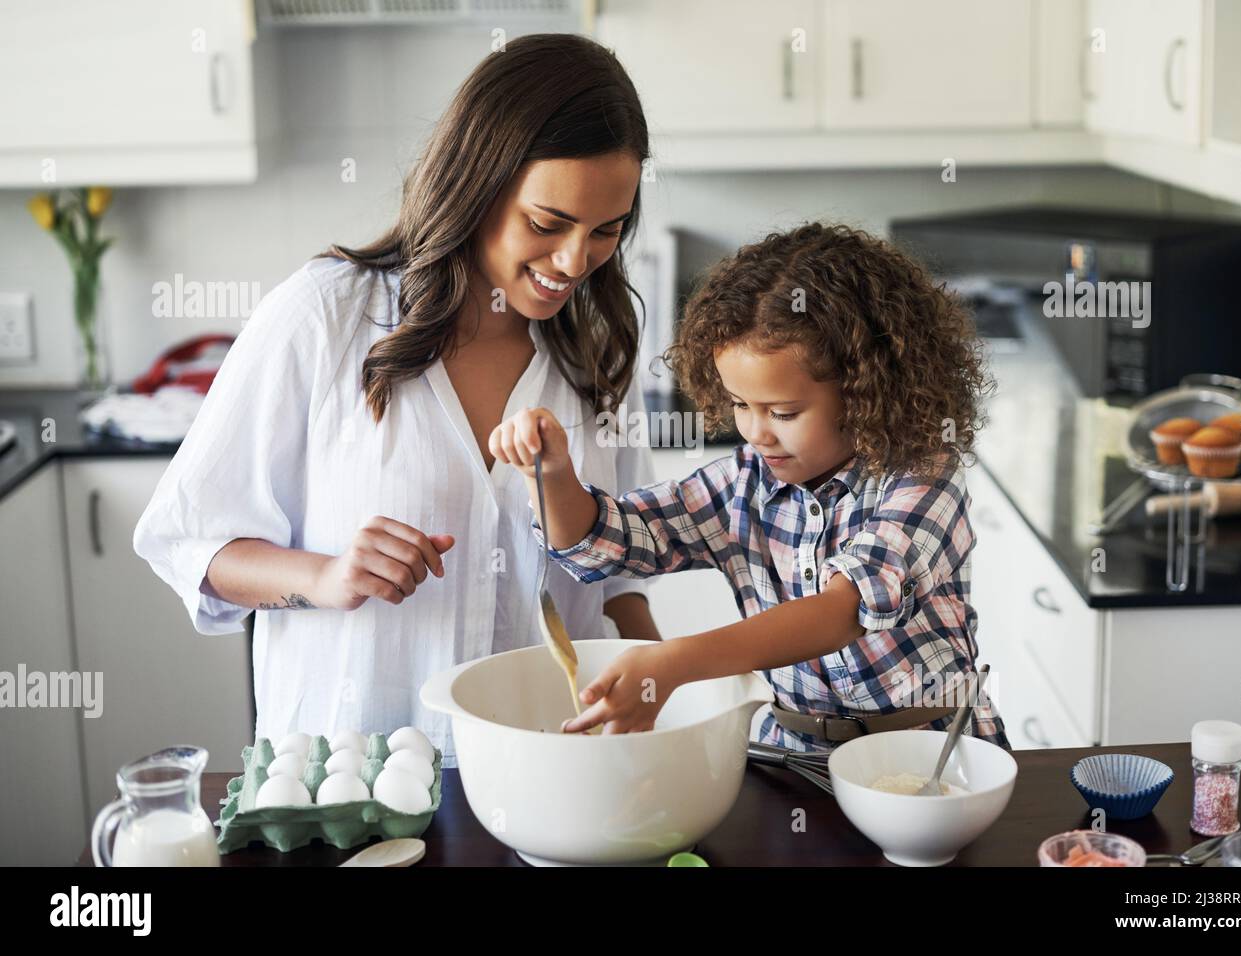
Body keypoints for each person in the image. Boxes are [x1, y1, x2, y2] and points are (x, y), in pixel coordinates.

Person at [134, 34, 662, 767]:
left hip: (547, 776)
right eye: (547, 224)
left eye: (606, 231)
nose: (575, 261)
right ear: (479, 185)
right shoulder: (325, 316)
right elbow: (190, 540)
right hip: (348, 780)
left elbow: (622, 573)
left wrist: (667, 684)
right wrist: (322, 577)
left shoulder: (599, 353)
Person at [490, 222, 1011, 751]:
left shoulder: (923, 478)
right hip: (794, 753)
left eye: (783, 412)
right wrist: (554, 476)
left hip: (933, 754)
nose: (756, 432)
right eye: (741, 405)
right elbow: (610, 542)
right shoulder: (743, 483)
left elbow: (843, 611)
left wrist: (676, 662)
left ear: (866, 393)